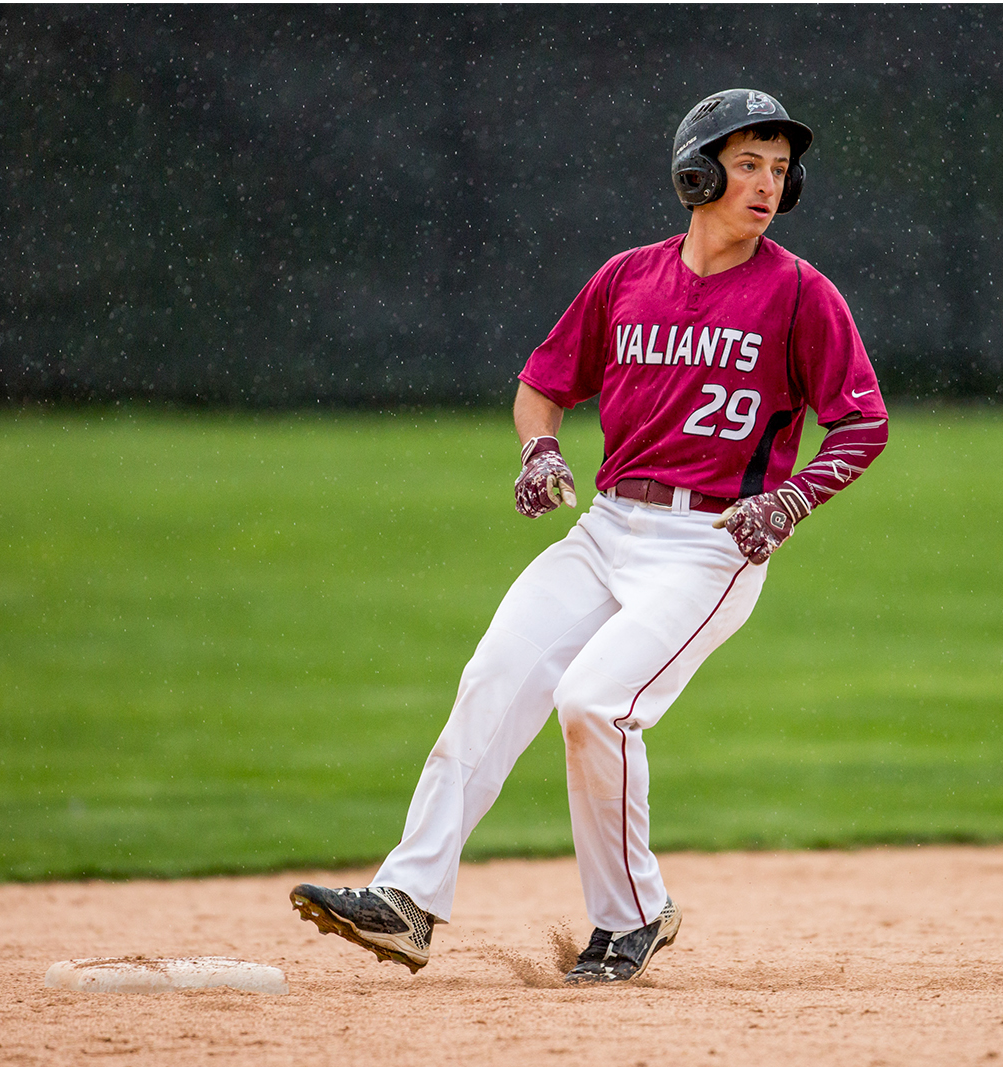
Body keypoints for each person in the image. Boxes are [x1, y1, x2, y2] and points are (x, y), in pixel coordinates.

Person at [291, 88, 889, 984]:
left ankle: (634, 914)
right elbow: (543, 384)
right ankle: (407, 898)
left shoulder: (801, 294)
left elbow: (863, 421)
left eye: (780, 168)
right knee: (494, 676)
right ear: (698, 173)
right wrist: (538, 449)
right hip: (607, 526)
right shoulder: (627, 278)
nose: (768, 183)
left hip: (712, 543)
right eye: (747, 163)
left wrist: (792, 499)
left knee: (595, 703)